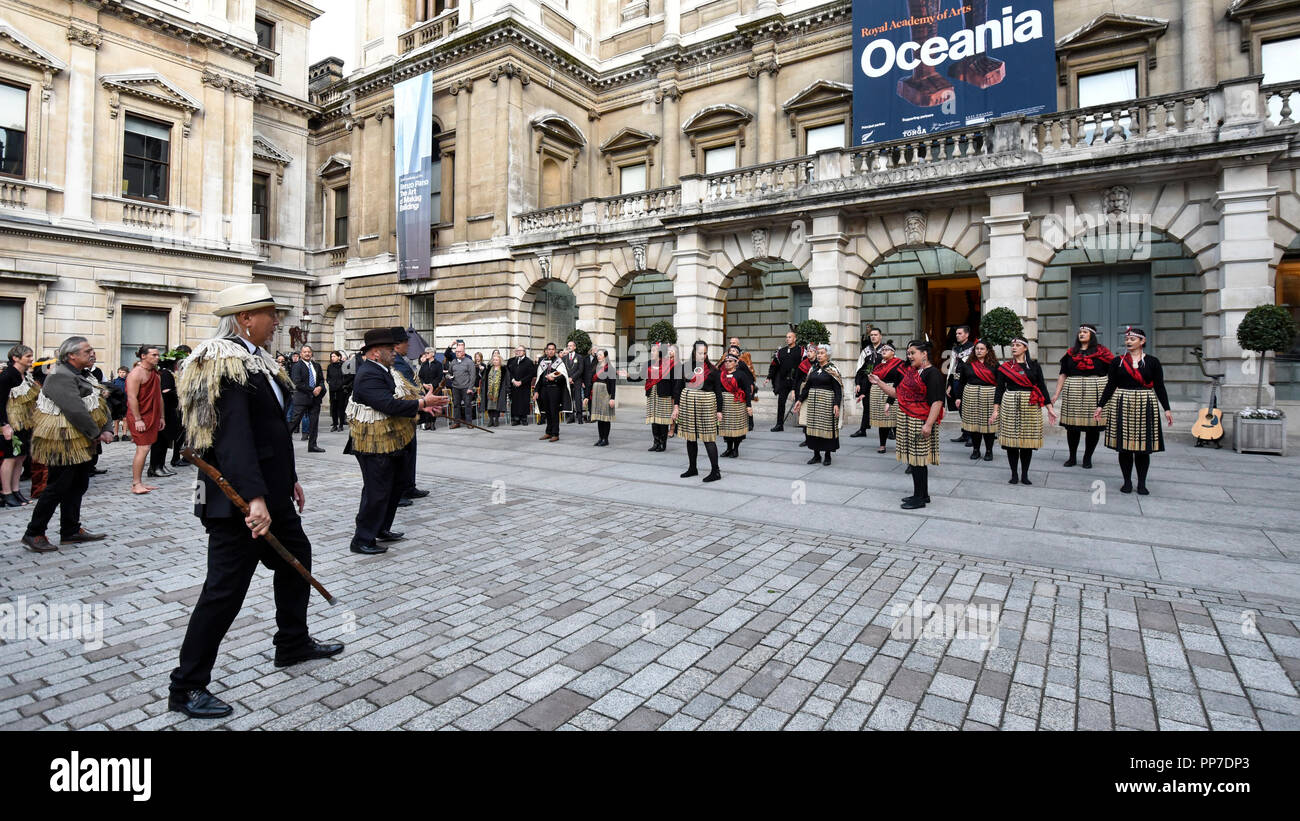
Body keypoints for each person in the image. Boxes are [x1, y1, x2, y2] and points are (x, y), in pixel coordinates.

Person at [168, 284, 343, 719]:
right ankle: (187, 686)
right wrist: (255, 499)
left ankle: (292, 642)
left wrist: (290, 479)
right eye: (269, 313)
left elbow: (272, 432)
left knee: (296, 559)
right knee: (225, 590)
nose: (276, 320)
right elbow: (234, 438)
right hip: (238, 501)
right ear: (245, 318)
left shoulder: (258, 360)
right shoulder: (224, 361)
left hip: (271, 492)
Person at [345, 328, 448, 554]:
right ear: (375, 353)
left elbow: (403, 399)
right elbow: (388, 405)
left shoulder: (387, 370)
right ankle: (362, 539)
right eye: (389, 349)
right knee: (376, 491)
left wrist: (425, 408)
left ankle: (381, 528)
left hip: (390, 440)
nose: (394, 352)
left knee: (394, 486)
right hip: (373, 444)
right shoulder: (368, 373)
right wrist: (423, 404)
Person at [21, 336, 112, 552]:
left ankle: (70, 530)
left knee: (78, 484)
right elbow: (74, 409)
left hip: (79, 439)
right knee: (57, 486)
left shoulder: (84, 374)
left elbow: (99, 402)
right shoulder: (60, 376)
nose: (92, 353)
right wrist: (96, 433)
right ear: (71, 355)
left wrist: (107, 427)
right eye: (87, 351)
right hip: (63, 440)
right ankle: (34, 533)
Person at [1093, 327, 1173, 495]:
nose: (1128, 342)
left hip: (1145, 403)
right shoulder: (1118, 362)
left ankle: (1142, 483)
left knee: (1143, 447)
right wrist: (1100, 406)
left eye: (1132, 339)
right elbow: (1110, 385)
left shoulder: (1152, 362)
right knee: (1125, 447)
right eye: (1127, 339)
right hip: (1122, 402)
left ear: (1142, 341)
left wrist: (1167, 409)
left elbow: (1159, 386)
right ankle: (1127, 482)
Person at [870, 340, 945, 510]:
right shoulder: (912, 372)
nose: (909, 356)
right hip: (908, 419)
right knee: (915, 460)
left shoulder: (932, 373)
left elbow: (937, 402)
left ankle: (919, 498)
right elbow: (897, 393)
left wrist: (928, 425)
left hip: (920, 420)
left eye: (913, 353)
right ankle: (922, 495)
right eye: (908, 353)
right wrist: (879, 382)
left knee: (918, 461)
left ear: (924, 354)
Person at [990, 336, 1058, 485]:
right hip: (1010, 403)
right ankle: (1014, 474)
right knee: (1012, 442)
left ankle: (1025, 475)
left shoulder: (1034, 366)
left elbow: (1042, 387)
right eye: (1012, 345)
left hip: (1030, 404)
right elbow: (999, 390)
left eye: (1018, 345)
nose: (1014, 347)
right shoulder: (1005, 367)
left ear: (1025, 348)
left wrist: (1050, 409)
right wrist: (995, 410)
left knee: (1027, 442)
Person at [1053, 324, 1114, 468]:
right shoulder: (1071, 353)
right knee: (1072, 427)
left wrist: (1113, 393)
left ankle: (1087, 458)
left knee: (1093, 427)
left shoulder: (1102, 353)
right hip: (1073, 391)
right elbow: (1063, 374)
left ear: (1091, 335)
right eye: (1080, 331)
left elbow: (1113, 375)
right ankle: (1072, 457)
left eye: (1085, 332)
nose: (1081, 334)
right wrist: (1056, 394)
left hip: (1095, 392)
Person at [673, 340, 723, 482]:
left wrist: (719, 411)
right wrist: (676, 407)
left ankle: (715, 471)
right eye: (700, 353)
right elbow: (678, 388)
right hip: (688, 405)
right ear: (694, 352)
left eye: (705, 353)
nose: (703, 356)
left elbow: (718, 392)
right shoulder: (685, 368)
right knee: (690, 437)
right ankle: (692, 468)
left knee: (708, 438)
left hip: (706, 405)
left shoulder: (713, 370)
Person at [388, 328, 427, 504]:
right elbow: (406, 387)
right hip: (401, 413)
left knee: (411, 451)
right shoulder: (395, 362)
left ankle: (409, 486)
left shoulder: (401, 359)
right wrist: (423, 400)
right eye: (406, 342)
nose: (409, 345)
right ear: (397, 345)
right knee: (402, 454)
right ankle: (400, 492)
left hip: (409, 414)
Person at [793, 344, 842, 465]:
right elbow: (807, 387)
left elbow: (838, 389)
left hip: (827, 403)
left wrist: (836, 404)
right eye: (818, 353)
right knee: (813, 429)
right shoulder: (813, 369)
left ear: (827, 355)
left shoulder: (833, 369)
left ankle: (827, 456)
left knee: (826, 429)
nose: (819, 355)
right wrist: (800, 400)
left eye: (822, 353)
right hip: (813, 404)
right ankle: (816, 455)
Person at [125, 345, 164, 495]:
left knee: (145, 448)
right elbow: (132, 398)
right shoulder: (135, 373)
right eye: (154, 355)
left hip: (152, 415)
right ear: (143, 356)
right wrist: (138, 419)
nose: (157, 357)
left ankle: (139, 482)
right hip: (139, 416)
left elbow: (159, 396)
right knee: (143, 448)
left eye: (158, 355)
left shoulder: (155, 373)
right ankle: (136, 484)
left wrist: (162, 416)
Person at [0, 344, 36, 507]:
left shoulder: (26, 376)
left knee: (21, 457)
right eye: (28, 356)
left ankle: (15, 490)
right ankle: (6, 492)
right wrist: (4, 425)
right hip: (10, 422)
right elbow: (0, 403)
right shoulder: (7, 376)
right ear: (15, 358)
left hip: (24, 422)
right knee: (10, 457)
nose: (31, 359)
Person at [957, 339, 999, 461]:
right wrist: (958, 397)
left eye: (982, 349)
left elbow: (1000, 384)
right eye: (977, 349)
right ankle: (976, 450)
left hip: (989, 396)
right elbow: (961, 382)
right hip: (971, 395)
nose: (979, 351)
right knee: (974, 424)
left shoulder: (995, 365)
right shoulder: (967, 364)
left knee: (988, 425)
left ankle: (989, 451)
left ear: (987, 351)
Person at [866, 342, 904, 453]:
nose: (883, 351)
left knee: (896, 420)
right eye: (882, 350)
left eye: (886, 349)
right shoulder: (879, 364)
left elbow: (900, 380)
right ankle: (882, 445)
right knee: (882, 420)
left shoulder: (899, 363)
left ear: (893, 352)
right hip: (879, 393)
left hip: (893, 391)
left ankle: (900, 446)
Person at [287, 345, 326, 453]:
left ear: (311, 353)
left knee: (314, 424)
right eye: (304, 352)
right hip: (302, 398)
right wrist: (312, 389)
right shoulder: (297, 366)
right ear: (301, 354)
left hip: (315, 399)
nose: (307, 354)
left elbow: (321, 380)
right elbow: (297, 382)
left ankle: (312, 445)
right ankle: (283, 442)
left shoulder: (316, 365)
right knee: (294, 421)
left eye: (309, 352)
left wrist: (320, 387)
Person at [717, 350, 755, 458]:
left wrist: (749, 406)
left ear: (736, 362)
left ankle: (736, 449)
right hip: (725, 403)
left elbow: (747, 390)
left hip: (738, 403)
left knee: (736, 428)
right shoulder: (721, 374)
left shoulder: (741, 374)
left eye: (730, 361)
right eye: (726, 361)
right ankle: (729, 448)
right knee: (726, 427)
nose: (727, 363)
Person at [147, 355, 180, 478]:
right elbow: (165, 392)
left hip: (168, 411)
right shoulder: (166, 374)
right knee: (160, 440)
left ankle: (161, 465)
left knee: (165, 440)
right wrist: (178, 393)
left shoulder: (166, 373)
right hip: (165, 411)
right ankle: (155, 467)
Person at [850, 327, 886, 438]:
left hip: (881, 383)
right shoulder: (866, 351)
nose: (873, 337)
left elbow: (891, 367)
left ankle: (889, 430)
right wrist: (858, 383)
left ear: (880, 336)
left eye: (875, 335)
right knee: (866, 406)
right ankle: (863, 429)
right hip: (866, 383)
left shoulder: (886, 350)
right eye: (871, 335)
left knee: (883, 406)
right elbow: (859, 368)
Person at [644, 343, 678, 452]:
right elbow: (640, 375)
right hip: (652, 394)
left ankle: (663, 443)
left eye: (654, 350)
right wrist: (629, 375)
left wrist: (675, 398)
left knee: (662, 420)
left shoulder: (668, 364)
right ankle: (656, 442)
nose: (652, 352)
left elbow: (674, 382)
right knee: (654, 419)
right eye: (651, 350)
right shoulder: (649, 363)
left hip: (664, 394)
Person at [767, 331, 803, 432]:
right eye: (786, 337)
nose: (787, 339)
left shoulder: (800, 351)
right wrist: (769, 377)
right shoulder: (781, 351)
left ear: (795, 339)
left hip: (796, 381)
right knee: (781, 403)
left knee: (800, 402)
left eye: (790, 337)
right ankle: (779, 425)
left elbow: (805, 364)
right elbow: (774, 365)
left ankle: (805, 425)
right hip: (784, 381)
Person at [946, 325, 975, 444]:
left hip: (967, 381)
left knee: (968, 408)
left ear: (966, 334)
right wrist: (949, 385)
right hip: (956, 380)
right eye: (956, 333)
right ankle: (965, 433)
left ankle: (972, 435)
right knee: (960, 407)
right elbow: (952, 367)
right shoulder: (956, 349)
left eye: (960, 333)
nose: (957, 335)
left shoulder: (973, 348)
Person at [532, 343, 567, 441]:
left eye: (552, 349)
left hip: (554, 389)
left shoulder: (559, 361)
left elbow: (563, 375)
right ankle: (548, 432)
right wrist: (536, 391)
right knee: (547, 411)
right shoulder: (543, 361)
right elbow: (539, 377)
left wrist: (554, 378)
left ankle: (555, 434)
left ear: (555, 350)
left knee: (554, 411)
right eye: (549, 349)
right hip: (544, 389)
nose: (551, 351)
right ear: (546, 350)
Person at [168, 345, 192, 467]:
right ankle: (177, 457)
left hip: (185, 403)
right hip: (181, 404)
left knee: (185, 432)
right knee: (181, 432)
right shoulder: (178, 369)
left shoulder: (183, 367)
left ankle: (184, 456)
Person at [587, 349, 617, 446]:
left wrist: (612, 398)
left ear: (605, 356)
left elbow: (613, 385)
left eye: (600, 355)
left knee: (605, 417)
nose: (598, 356)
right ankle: (600, 438)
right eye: (597, 355)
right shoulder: (595, 366)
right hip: (596, 392)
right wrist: (587, 396)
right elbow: (590, 382)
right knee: (599, 417)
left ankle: (605, 439)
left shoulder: (610, 368)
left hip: (605, 393)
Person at [506, 345, 533, 426]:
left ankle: (524, 418)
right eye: (517, 350)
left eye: (520, 350)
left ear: (524, 352)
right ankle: (516, 419)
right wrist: (513, 380)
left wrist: (521, 382)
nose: (518, 352)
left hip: (524, 386)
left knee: (524, 402)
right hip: (514, 385)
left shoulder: (528, 362)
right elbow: (509, 372)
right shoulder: (513, 361)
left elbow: (531, 374)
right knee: (515, 402)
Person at [416, 349, 443, 430]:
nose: (426, 354)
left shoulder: (438, 364)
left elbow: (439, 376)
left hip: (434, 388)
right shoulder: (424, 364)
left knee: (433, 405)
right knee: (426, 404)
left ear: (433, 354)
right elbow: (420, 376)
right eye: (425, 353)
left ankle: (432, 423)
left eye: (428, 353)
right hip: (425, 388)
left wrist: (432, 385)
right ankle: (427, 422)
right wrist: (423, 384)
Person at [562, 340, 588, 424]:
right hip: (567, 381)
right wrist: (568, 378)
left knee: (577, 399)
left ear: (575, 347)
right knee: (569, 399)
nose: (569, 347)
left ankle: (579, 417)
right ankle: (571, 417)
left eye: (571, 345)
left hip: (577, 381)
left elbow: (580, 370)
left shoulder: (579, 357)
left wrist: (572, 378)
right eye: (568, 345)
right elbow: (563, 369)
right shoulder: (564, 358)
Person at [481, 351, 508, 427]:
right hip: (489, 391)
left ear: (500, 361)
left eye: (497, 360)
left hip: (499, 391)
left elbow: (506, 380)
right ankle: (491, 420)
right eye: (494, 360)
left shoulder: (503, 369)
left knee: (497, 406)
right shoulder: (489, 368)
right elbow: (484, 379)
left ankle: (496, 420)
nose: (495, 361)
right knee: (489, 405)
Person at [326, 350, 348, 432]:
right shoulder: (330, 366)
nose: (332, 358)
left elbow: (347, 377)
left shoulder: (344, 365)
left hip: (341, 390)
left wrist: (342, 384)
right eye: (331, 356)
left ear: (339, 357)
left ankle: (341, 425)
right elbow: (328, 377)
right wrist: (329, 382)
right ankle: (335, 424)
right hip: (332, 389)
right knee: (333, 408)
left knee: (341, 407)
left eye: (334, 356)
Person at [109, 366, 129, 441]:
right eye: (120, 372)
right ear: (118, 373)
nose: (122, 374)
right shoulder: (115, 381)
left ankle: (124, 434)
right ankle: (115, 435)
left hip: (125, 402)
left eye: (123, 372)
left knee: (125, 419)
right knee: (116, 419)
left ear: (127, 373)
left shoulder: (129, 381)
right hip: (116, 403)